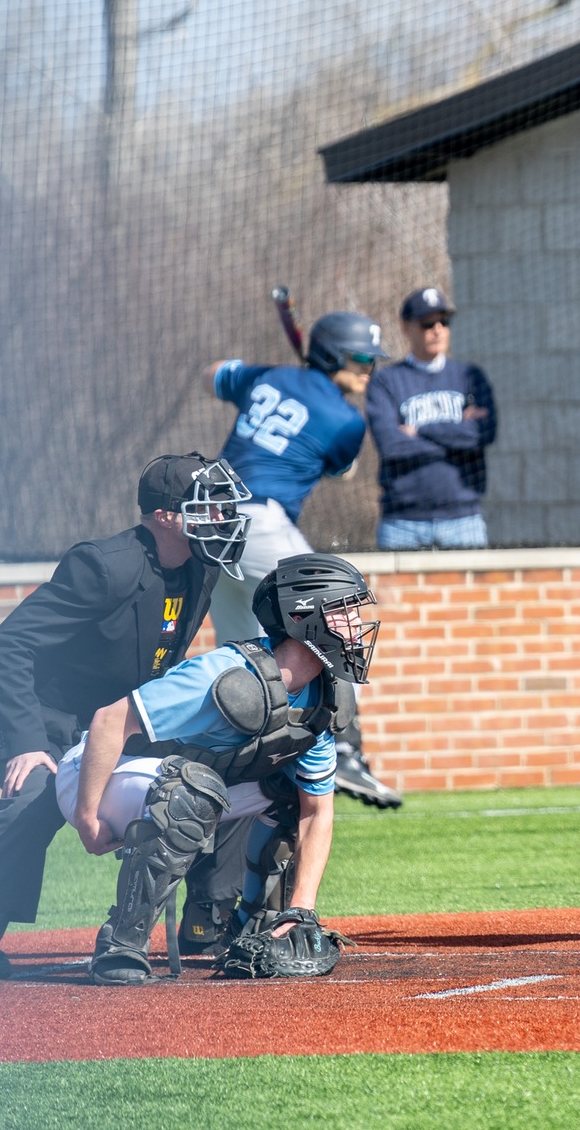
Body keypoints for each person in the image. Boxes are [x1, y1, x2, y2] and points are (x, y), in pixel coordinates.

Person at [0, 454, 246, 980]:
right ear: (165, 516)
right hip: (44, 713)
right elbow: (11, 643)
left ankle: (209, 919)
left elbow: (160, 657)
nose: (222, 517)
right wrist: (28, 741)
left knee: (223, 762)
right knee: (36, 792)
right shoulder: (104, 566)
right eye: (207, 506)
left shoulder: (202, 566)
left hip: (118, 715)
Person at [66, 553, 376, 985]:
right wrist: (86, 817)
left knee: (284, 790)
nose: (356, 626)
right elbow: (108, 721)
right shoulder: (227, 674)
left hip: (183, 785)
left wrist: (300, 910)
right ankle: (122, 942)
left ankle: (255, 926)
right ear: (305, 616)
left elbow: (315, 812)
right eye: (344, 611)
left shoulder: (320, 696)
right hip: (97, 772)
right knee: (194, 791)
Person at [206, 310, 397, 813]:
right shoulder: (346, 419)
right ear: (333, 354)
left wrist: (268, 376)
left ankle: (235, 772)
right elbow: (343, 469)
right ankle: (349, 750)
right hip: (262, 522)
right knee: (336, 618)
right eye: (360, 358)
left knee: (245, 659)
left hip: (214, 526)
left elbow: (214, 374)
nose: (369, 369)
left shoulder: (265, 376)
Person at [366, 286, 497, 550]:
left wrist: (421, 431)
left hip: (464, 518)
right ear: (406, 327)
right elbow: (392, 445)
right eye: (427, 323)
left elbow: (482, 434)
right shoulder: (386, 381)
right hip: (402, 522)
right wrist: (457, 435)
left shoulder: (470, 376)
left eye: (443, 321)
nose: (437, 329)